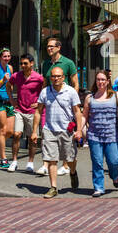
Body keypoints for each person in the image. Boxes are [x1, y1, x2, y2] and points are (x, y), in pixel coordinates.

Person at [82, 70, 118, 197]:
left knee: (114, 161)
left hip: (112, 135)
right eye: (98, 79)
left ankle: (115, 176)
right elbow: (84, 116)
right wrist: (79, 130)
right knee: (97, 162)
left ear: (107, 81)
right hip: (95, 135)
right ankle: (99, 187)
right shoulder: (90, 98)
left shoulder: (116, 95)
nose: (100, 82)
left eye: (103, 80)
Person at [37, 65, 83, 198]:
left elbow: (77, 112)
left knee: (70, 158)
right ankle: (53, 187)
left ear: (63, 78)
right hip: (49, 130)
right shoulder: (45, 92)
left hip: (66, 130)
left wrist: (79, 130)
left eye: (58, 76)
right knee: (52, 160)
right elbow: (38, 111)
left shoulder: (71, 91)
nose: (55, 78)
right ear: (50, 77)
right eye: (53, 76)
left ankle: (73, 172)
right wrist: (35, 131)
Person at [7, 54, 46, 174]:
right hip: (19, 109)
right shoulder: (16, 76)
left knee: (32, 139)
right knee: (17, 134)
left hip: (33, 112)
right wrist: (12, 100)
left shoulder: (38, 78)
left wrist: (39, 103)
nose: (23, 66)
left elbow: (44, 91)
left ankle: (30, 162)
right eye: (21, 64)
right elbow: (8, 85)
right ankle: (14, 161)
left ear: (31, 64)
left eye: (25, 63)